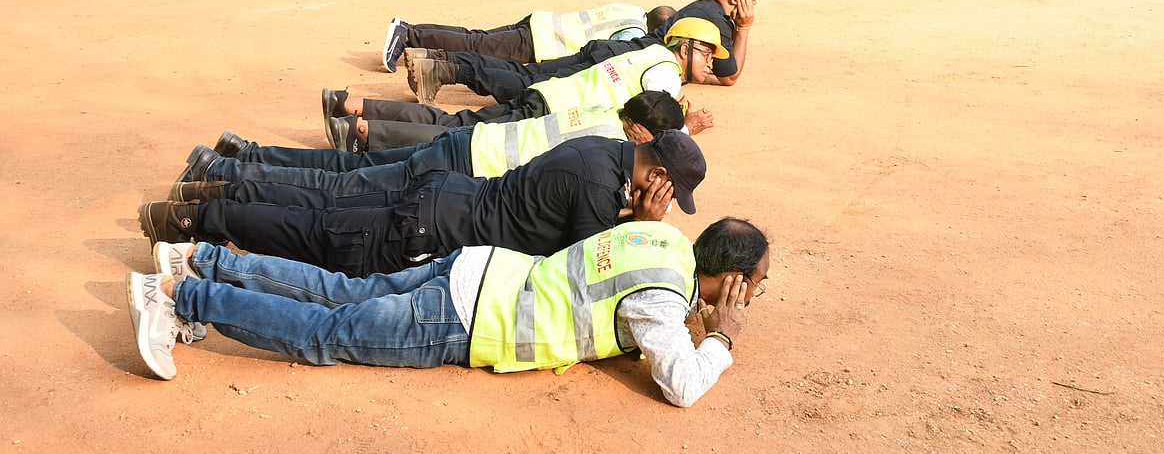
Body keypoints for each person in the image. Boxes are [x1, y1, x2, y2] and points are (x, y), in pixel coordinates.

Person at [126, 216, 770, 409]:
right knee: (328, 334)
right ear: (734, 279)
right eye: (755, 286)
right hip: (470, 321)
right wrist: (726, 339)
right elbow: (680, 386)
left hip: (477, 268)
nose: (753, 298)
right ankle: (177, 297)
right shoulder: (663, 299)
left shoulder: (664, 241)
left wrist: (696, 312)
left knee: (337, 291)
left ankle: (201, 258)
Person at [138, 129, 706, 278]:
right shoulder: (598, 192)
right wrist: (645, 225)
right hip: (430, 231)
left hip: (445, 196)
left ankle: (211, 194)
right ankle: (195, 218)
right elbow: (584, 268)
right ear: (655, 173)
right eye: (669, 193)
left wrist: (629, 211)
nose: (667, 204)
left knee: (322, 203)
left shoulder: (604, 153)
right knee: (311, 233)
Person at [169, 91, 694, 204]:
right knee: (341, 183)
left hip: (468, 144)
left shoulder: (603, 115)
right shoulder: (608, 147)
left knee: (344, 167)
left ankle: (243, 153)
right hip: (466, 166)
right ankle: (226, 172)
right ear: (641, 135)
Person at [332, 17, 727, 148]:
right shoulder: (666, 75)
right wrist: (686, 129)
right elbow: (652, 136)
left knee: (462, 125)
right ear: (686, 46)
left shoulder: (649, 52)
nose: (711, 62)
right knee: (463, 134)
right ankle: (364, 131)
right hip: (558, 115)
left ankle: (356, 109)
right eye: (708, 52)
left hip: (551, 95)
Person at [404, 0, 770, 99]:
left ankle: (438, 62)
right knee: (526, 82)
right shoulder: (718, 24)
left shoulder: (698, 8)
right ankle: (442, 65)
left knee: (521, 72)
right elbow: (730, 76)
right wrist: (746, 28)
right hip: (615, 61)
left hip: (606, 51)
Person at [382, 3, 669, 73]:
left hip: (541, 23)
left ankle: (410, 30)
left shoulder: (633, 11)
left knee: (476, 39)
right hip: (541, 42)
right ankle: (407, 34)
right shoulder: (635, 33)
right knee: (476, 44)